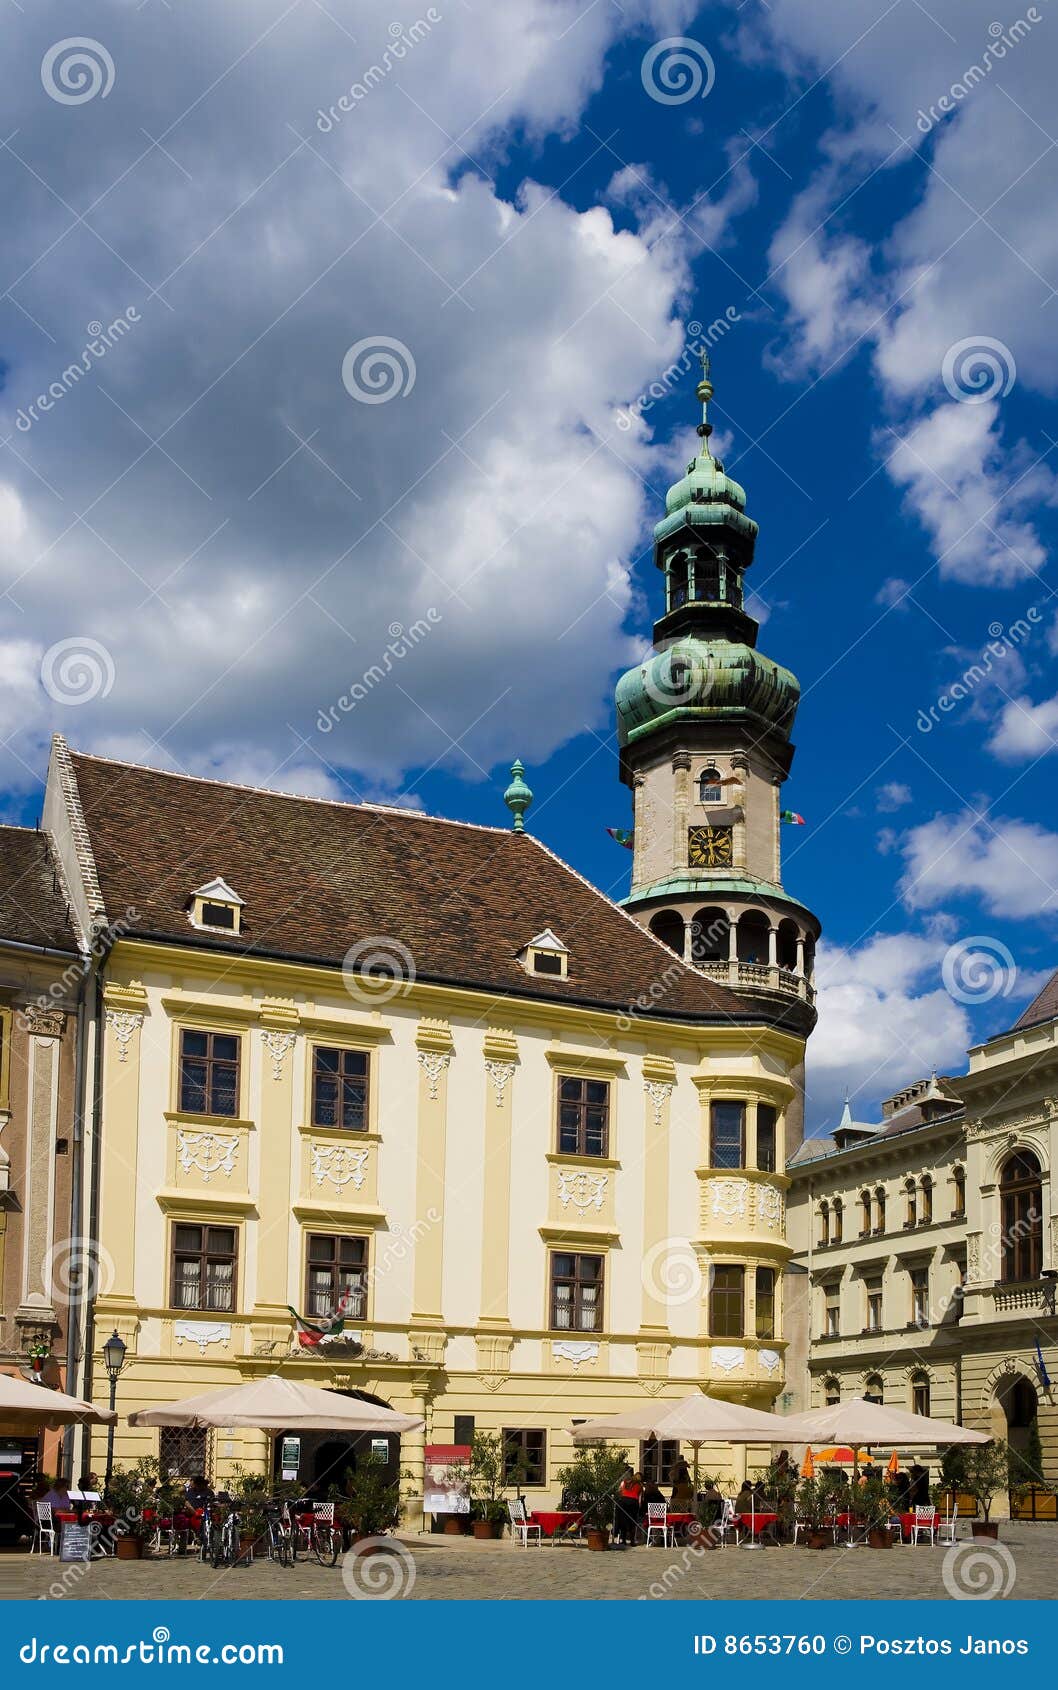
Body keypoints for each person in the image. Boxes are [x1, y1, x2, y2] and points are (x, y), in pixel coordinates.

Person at [614, 1467, 641, 1545]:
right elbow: (639, 1498)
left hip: (623, 1501)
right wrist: (638, 1507)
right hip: (634, 1502)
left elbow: (619, 1491)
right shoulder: (638, 1484)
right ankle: (632, 1541)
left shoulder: (624, 1482)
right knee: (632, 1521)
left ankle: (624, 1540)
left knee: (623, 1520)